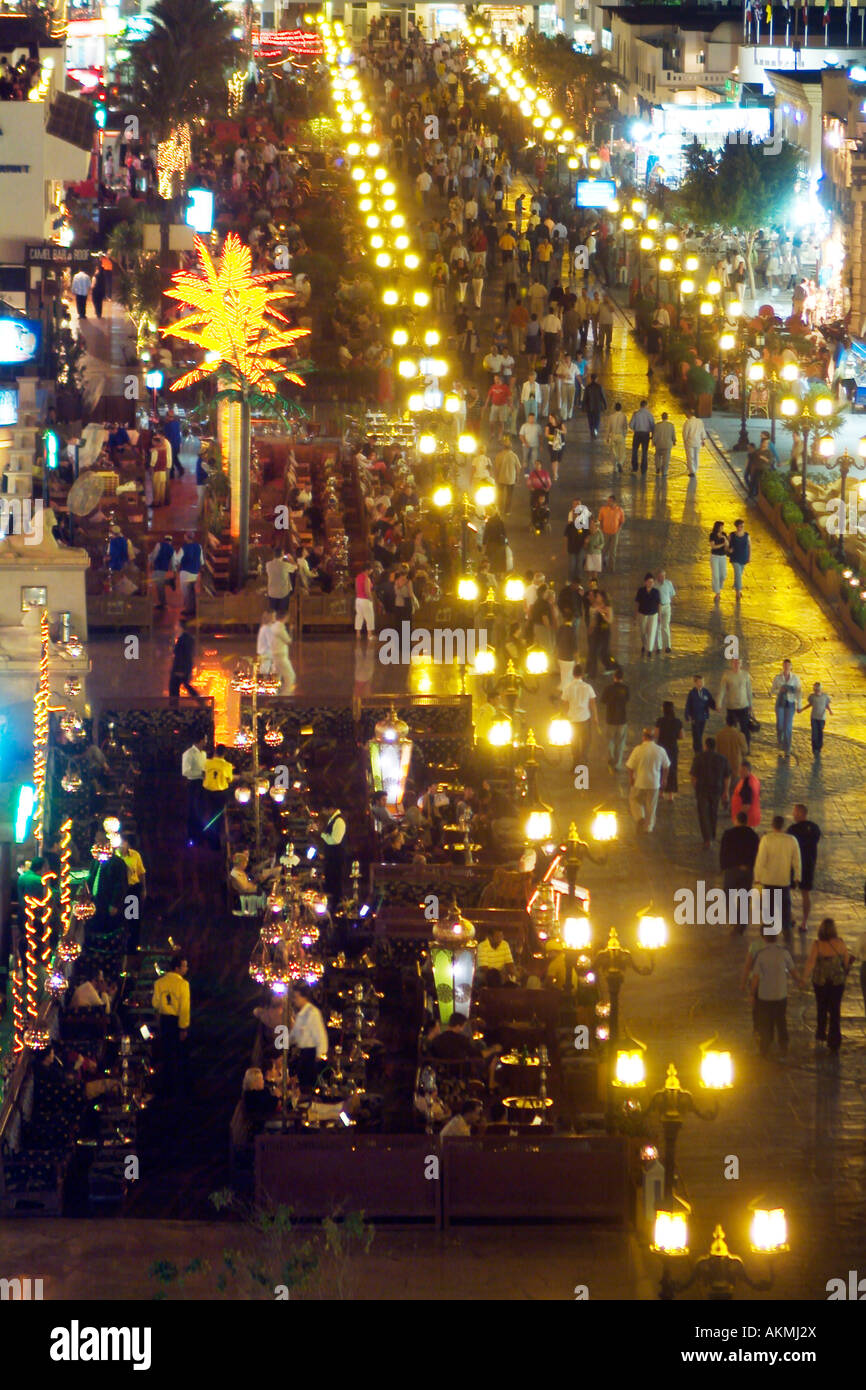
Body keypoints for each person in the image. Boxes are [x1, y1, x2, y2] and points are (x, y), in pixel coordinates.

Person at [753, 815, 801, 949]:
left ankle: (768, 942)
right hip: (783, 882)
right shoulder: (791, 840)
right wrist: (797, 877)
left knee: (768, 913)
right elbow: (797, 861)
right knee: (785, 912)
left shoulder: (766, 840)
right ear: (784, 826)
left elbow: (760, 861)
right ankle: (788, 940)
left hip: (768, 881)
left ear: (773, 826)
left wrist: (757, 878)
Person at [804, 919, 851, 1053]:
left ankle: (820, 1033)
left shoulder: (817, 945)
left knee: (822, 1007)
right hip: (837, 983)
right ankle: (834, 1040)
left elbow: (810, 963)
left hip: (820, 982)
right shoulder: (840, 943)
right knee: (835, 1010)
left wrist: (803, 978)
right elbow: (846, 962)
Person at [750, 936, 801, 1059]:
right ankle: (783, 1045)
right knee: (781, 1021)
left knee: (766, 1022)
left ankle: (765, 1047)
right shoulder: (784, 953)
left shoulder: (760, 955)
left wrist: (752, 993)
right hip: (780, 995)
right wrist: (800, 981)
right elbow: (793, 971)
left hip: (764, 996)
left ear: (765, 938)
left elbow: (755, 977)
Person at [152, 951, 190, 1098]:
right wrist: (183, 1027)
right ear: (177, 968)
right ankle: (177, 1087)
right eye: (184, 966)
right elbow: (184, 1008)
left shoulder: (159, 983)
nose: (186, 969)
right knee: (178, 1054)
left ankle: (165, 1085)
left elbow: (155, 1003)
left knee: (166, 1052)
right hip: (176, 1021)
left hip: (164, 1020)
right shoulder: (183, 984)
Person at [690, 735, 731, 850]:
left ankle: (707, 839)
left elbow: (693, 776)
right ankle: (712, 835)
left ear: (705, 746)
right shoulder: (722, 759)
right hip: (716, 790)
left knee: (703, 814)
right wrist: (726, 792)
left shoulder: (699, 757)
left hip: (702, 789)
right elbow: (727, 776)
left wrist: (695, 788)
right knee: (713, 813)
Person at [626, 728, 670, 834]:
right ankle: (648, 827)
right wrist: (664, 779)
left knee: (634, 800)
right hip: (654, 783)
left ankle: (640, 817)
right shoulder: (660, 750)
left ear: (643, 737)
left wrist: (631, 778)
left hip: (639, 782)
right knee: (651, 806)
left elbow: (630, 766)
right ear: (654, 738)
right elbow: (666, 765)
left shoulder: (638, 749)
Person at [787, 803, 821, 935]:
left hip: (794, 866)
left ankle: (790, 917)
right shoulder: (815, 828)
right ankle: (804, 922)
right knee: (805, 894)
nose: (793, 814)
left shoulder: (792, 829)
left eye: (795, 812)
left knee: (788, 891)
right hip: (809, 865)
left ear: (801, 813)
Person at [288, 983, 329, 1088]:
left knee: (309, 1081)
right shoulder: (300, 1014)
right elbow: (295, 1033)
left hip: (311, 1052)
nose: (295, 1000)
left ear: (303, 997)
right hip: (303, 1052)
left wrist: (320, 1054)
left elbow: (320, 1034)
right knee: (302, 1078)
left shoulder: (312, 1012)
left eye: (296, 997)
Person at [720, 812, 760, 917]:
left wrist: (723, 867)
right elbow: (756, 853)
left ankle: (733, 917)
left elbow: (723, 852)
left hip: (732, 870)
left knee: (728, 895)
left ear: (736, 820)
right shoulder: (753, 835)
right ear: (746, 822)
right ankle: (741, 924)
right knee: (744, 897)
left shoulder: (728, 834)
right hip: (747, 871)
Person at [562, 662, 599, 761]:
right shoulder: (588, 687)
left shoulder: (568, 687)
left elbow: (564, 703)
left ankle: (576, 760)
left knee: (574, 741)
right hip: (585, 718)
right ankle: (584, 758)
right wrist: (595, 717)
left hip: (572, 719)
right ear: (582, 675)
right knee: (586, 741)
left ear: (573, 674)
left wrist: (564, 715)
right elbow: (592, 703)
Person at [716, 657, 754, 748]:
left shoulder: (745, 675)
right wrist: (718, 703)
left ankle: (746, 748)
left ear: (741, 664)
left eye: (738, 663)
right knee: (731, 729)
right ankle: (732, 747)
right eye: (735, 663)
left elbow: (749, 690)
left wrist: (751, 704)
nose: (736, 665)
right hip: (731, 707)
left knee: (745, 728)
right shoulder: (727, 675)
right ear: (731, 664)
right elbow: (722, 690)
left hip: (743, 706)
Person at [202, 743, 234, 845]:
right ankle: (219, 839)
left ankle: (208, 836)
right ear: (224, 754)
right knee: (220, 816)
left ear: (215, 752)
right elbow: (230, 779)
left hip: (207, 792)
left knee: (209, 813)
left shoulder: (207, 763)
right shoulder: (227, 766)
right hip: (221, 793)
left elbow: (203, 774)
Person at [770, 658, 802, 758]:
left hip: (790, 703)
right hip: (780, 703)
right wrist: (780, 690)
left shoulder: (795, 678)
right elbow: (772, 690)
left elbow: (799, 692)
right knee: (779, 726)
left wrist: (799, 705)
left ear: (791, 667)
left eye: (788, 665)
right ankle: (780, 746)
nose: (786, 667)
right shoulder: (778, 678)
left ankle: (787, 748)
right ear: (783, 666)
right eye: (785, 665)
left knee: (787, 727)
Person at [118, 835, 146, 947]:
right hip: (120, 890)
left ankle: (132, 945)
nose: (122, 845)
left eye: (124, 842)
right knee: (120, 917)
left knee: (132, 917)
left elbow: (141, 873)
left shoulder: (135, 855)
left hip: (132, 888)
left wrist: (144, 889)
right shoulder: (115, 856)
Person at [601, 666, 629, 772]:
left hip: (610, 719)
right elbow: (627, 699)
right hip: (622, 719)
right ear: (622, 677)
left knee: (610, 740)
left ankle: (611, 757)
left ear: (614, 677)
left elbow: (603, 701)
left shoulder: (608, 689)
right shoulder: (625, 689)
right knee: (620, 742)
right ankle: (617, 763)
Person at [181, 732, 208, 844]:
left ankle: (201, 834)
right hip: (193, 784)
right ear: (200, 740)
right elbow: (185, 771)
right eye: (205, 739)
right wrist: (200, 773)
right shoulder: (188, 754)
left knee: (202, 810)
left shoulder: (204, 754)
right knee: (193, 810)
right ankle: (191, 836)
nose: (206, 742)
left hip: (203, 784)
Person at [654, 699, 683, 797]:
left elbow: (656, 734)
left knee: (661, 768)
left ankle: (661, 792)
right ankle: (671, 794)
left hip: (662, 747)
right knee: (672, 769)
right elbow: (681, 736)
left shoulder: (660, 721)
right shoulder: (677, 722)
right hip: (673, 748)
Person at [168, 618, 201, 701]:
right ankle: (199, 700)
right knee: (180, 686)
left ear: (180, 627)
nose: (175, 628)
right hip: (181, 668)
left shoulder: (184, 639)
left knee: (175, 687)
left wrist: (181, 670)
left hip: (180, 669)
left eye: (176, 626)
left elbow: (184, 655)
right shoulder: (184, 638)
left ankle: (199, 701)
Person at [321, 806, 346, 910]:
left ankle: (336, 908)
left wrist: (322, 835)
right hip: (331, 857)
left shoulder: (339, 821)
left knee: (335, 884)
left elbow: (335, 840)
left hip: (336, 858)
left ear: (331, 809)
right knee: (329, 882)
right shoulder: (332, 819)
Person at [684, 673, 716, 753]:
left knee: (700, 733)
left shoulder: (706, 692)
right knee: (696, 734)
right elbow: (688, 704)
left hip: (703, 716)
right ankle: (698, 750)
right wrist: (687, 715)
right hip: (695, 717)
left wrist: (716, 707)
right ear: (695, 683)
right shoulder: (692, 693)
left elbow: (710, 702)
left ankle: (698, 748)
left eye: (702, 682)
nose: (701, 683)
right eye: (700, 682)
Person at [173, 533, 203, 617]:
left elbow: (177, 560)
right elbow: (201, 560)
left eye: (185, 536)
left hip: (185, 572)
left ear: (187, 538)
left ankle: (188, 610)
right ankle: (193, 608)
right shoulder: (199, 547)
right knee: (192, 591)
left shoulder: (184, 548)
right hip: (195, 572)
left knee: (186, 592)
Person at [715, 712, 748, 785]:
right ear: (736, 723)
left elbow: (716, 751)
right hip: (736, 767)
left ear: (726, 722)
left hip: (723, 767)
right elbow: (745, 751)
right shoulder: (740, 735)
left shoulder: (719, 734)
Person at [634, 572, 661, 657]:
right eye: (649, 582)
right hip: (642, 614)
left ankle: (649, 650)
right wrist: (635, 615)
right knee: (643, 632)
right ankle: (644, 645)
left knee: (652, 632)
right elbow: (637, 604)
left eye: (652, 582)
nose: (650, 583)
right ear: (645, 582)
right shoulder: (641, 591)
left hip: (653, 614)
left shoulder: (656, 592)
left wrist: (659, 615)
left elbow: (659, 604)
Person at [730, 759, 761, 828]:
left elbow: (746, 805)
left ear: (749, 771)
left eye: (743, 770)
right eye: (740, 770)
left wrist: (739, 820)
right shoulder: (754, 779)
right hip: (753, 816)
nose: (740, 772)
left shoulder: (746, 785)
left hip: (746, 821)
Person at [598, 494, 624, 572]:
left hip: (615, 533)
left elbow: (621, 522)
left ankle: (611, 568)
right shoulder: (603, 509)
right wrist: (601, 529)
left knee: (613, 552)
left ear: (614, 502)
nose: (608, 502)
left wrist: (618, 530)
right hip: (605, 533)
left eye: (609, 501)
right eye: (608, 501)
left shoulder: (619, 510)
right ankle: (600, 566)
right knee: (603, 550)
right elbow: (600, 520)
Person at [493, 437, 520, 515]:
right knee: (509, 496)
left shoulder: (499, 455)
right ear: (511, 447)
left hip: (501, 478)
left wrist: (496, 476)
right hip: (511, 479)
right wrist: (517, 477)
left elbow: (496, 467)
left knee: (500, 495)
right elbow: (518, 467)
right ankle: (507, 511)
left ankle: (499, 509)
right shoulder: (514, 456)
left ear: (503, 447)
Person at [149, 534, 175, 612]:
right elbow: (173, 560)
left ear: (164, 539)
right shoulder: (171, 548)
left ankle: (163, 603)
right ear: (171, 541)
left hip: (158, 566)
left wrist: (151, 562)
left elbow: (154, 554)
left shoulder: (159, 545)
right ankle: (169, 582)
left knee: (159, 586)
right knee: (158, 583)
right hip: (164, 568)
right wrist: (174, 570)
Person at [806, 681, 832, 755]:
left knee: (820, 732)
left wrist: (830, 711)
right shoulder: (812, 697)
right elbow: (810, 704)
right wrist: (802, 709)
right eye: (815, 690)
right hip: (814, 717)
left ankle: (819, 746)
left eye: (818, 689)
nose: (817, 691)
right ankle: (814, 747)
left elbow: (826, 705)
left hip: (821, 718)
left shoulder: (825, 697)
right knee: (814, 732)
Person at [629, 400, 654, 474]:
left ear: (640, 405)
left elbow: (630, 425)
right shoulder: (649, 414)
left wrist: (635, 428)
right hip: (646, 435)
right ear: (646, 405)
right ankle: (643, 468)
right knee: (644, 452)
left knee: (635, 451)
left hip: (637, 434)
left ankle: (634, 467)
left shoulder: (636, 414)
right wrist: (652, 435)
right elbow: (653, 426)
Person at [266, 547, 292, 617]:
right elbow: (295, 567)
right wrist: (291, 559)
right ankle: (280, 626)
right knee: (282, 615)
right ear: (282, 554)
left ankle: (273, 626)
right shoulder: (285, 565)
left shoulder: (268, 564)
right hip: (283, 593)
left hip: (272, 593)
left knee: (273, 615)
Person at [654, 569, 676, 653]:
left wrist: (669, 603)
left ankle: (668, 646)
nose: (662, 578)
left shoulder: (668, 583)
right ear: (657, 577)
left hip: (666, 606)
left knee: (665, 626)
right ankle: (658, 647)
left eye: (663, 576)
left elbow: (672, 594)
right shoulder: (654, 585)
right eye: (660, 576)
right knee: (658, 627)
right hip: (657, 607)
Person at [729, 519, 751, 598]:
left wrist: (749, 556)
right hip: (735, 557)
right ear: (737, 527)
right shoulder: (732, 535)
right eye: (740, 526)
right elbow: (728, 545)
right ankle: (738, 592)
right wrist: (729, 550)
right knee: (738, 573)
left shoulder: (747, 535)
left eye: (743, 526)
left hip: (743, 557)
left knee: (739, 574)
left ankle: (736, 586)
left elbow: (749, 546)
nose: (742, 527)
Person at [682, 408, 706, 477]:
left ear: (689, 414)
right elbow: (702, 431)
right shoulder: (700, 421)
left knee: (690, 457)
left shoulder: (688, 422)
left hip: (690, 442)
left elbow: (685, 433)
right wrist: (703, 439)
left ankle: (692, 471)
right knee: (696, 456)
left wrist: (685, 440)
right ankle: (695, 469)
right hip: (698, 441)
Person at [708, 521, 730, 599]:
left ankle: (719, 587)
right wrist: (722, 544)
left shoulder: (724, 534)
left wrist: (724, 538)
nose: (722, 529)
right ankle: (717, 592)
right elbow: (713, 546)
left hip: (722, 557)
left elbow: (727, 545)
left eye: (722, 527)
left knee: (723, 575)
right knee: (716, 575)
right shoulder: (712, 535)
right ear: (717, 527)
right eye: (720, 527)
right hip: (715, 557)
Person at [582, 373, 607, 438]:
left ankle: (591, 431)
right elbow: (603, 397)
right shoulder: (599, 387)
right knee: (597, 420)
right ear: (596, 379)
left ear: (591, 378)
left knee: (590, 421)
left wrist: (583, 407)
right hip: (597, 407)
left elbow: (585, 398)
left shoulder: (588, 387)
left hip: (589, 407)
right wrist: (605, 405)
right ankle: (595, 431)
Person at [606, 401, 628, 472]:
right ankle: (620, 463)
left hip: (613, 436)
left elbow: (608, 428)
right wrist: (624, 436)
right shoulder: (624, 416)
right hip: (620, 435)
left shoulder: (611, 417)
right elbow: (625, 427)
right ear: (621, 408)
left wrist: (607, 437)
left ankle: (615, 466)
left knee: (614, 452)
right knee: (622, 453)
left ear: (615, 408)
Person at [653, 412, 676, 477]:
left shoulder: (657, 425)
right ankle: (664, 472)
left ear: (661, 417)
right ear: (667, 417)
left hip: (659, 444)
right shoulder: (671, 425)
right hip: (667, 444)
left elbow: (655, 434)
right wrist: (674, 441)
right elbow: (673, 435)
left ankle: (658, 467)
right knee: (666, 459)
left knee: (657, 455)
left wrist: (654, 442)